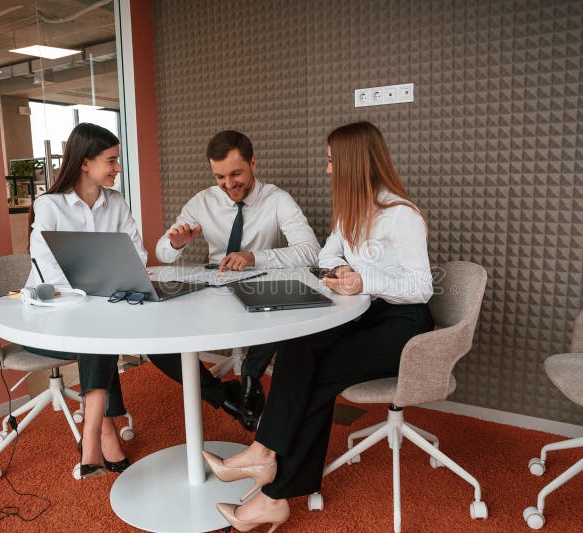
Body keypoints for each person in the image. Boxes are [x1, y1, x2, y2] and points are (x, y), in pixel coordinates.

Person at [202, 121, 434, 530]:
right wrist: (343, 268)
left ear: (352, 164)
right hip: (363, 313)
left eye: (331, 162)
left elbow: (422, 287)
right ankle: (265, 454)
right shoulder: (352, 211)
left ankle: (273, 489)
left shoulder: (401, 215)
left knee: (318, 376)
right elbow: (326, 255)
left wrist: (365, 280)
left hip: (403, 325)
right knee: (299, 344)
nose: (328, 171)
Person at [149, 130, 320, 430]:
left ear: (254, 162)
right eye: (219, 177)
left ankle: (252, 371)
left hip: (261, 284)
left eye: (236, 174)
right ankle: (225, 397)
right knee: (156, 341)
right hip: (212, 286)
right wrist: (176, 243)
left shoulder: (277, 200)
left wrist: (255, 257)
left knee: (292, 306)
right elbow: (163, 252)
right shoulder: (202, 202)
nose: (228, 185)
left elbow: (310, 252)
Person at [25, 123, 146, 479]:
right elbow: (47, 267)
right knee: (96, 337)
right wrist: (99, 286)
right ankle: (101, 429)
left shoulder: (116, 202)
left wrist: (102, 285)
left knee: (98, 332)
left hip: (101, 312)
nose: (118, 168)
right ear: (84, 163)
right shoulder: (49, 206)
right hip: (50, 316)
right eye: (111, 161)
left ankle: (93, 434)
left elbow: (136, 255)